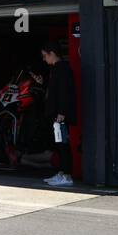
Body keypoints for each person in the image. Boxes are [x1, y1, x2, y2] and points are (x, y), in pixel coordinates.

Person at [40, 41, 77, 187]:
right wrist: (43, 83)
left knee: (63, 144)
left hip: (59, 114)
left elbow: (64, 92)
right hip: (56, 113)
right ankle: (61, 173)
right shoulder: (58, 68)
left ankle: (67, 176)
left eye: (45, 56)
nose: (44, 59)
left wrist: (61, 112)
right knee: (59, 144)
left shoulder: (61, 68)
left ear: (52, 54)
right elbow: (56, 91)